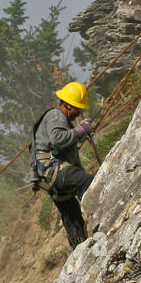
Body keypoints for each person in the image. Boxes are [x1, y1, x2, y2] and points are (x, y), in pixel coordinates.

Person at [33, 82, 95, 248]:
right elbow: (57, 138)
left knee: (71, 214)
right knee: (88, 183)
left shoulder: (61, 120)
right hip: (55, 171)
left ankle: (79, 249)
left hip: (49, 177)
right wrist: (81, 130)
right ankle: (102, 215)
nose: (79, 112)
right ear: (68, 105)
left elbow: (68, 154)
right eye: (77, 108)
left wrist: (77, 133)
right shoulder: (56, 116)